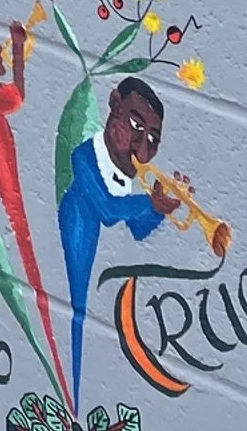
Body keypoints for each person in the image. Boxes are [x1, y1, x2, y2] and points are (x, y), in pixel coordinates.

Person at [0, 5, 66, 404]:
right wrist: (21, 51)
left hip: (16, 202)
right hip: (12, 206)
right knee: (31, 275)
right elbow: (18, 97)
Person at [56, 76, 171, 406]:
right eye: (136, 124)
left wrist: (162, 209)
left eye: (152, 139)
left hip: (103, 276)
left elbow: (137, 230)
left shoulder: (127, 177)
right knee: (75, 310)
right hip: (77, 238)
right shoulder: (85, 156)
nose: (141, 144)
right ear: (114, 104)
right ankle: (72, 399)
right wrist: (147, 203)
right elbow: (106, 209)